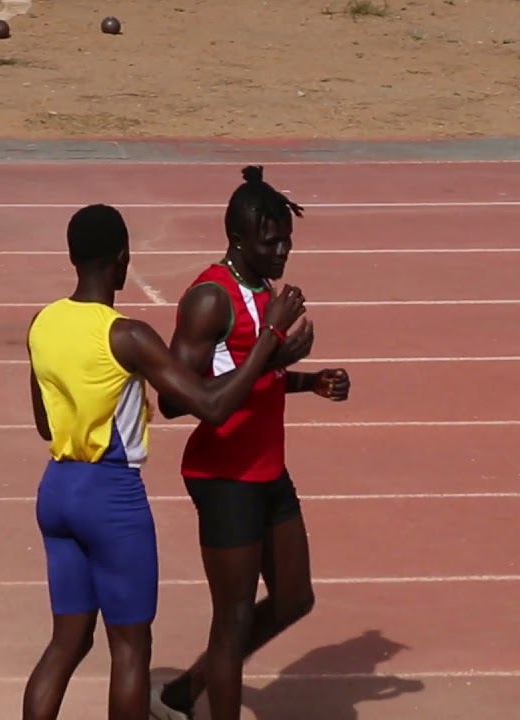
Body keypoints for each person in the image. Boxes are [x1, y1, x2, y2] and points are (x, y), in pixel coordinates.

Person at [23, 203, 308, 720]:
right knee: (130, 649)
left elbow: (45, 424)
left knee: (66, 641)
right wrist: (272, 338)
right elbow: (209, 405)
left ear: (71, 257)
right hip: (111, 497)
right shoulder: (127, 336)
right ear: (123, 260)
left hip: (56, 489)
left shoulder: (41, 325)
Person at [150, 166, 351, 720]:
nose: (284, 249)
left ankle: (184, 692)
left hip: (266, 468)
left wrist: (309, 380)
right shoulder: (210, 299)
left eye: (287, 238)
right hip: (222, 476)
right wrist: (272, 346)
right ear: (238, 239)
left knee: (294, 598)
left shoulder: (262, 288)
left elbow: (251, 375)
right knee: (233, 616)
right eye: (272, 241)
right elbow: (176, 401)